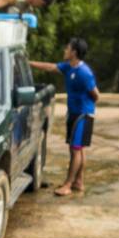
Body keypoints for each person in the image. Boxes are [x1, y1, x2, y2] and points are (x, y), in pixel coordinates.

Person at [34, 37, 99, 196]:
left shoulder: (84, 73)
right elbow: (50, 67)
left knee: (76, 149)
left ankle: (68, 185)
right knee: (76, 148)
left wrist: (84, 105)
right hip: (74, 113)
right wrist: (29, 63)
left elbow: (96, 95)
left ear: (74, 52)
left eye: (67, 48)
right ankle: (79, 182)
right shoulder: (69, 67)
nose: (65, 51)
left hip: (83, 115)